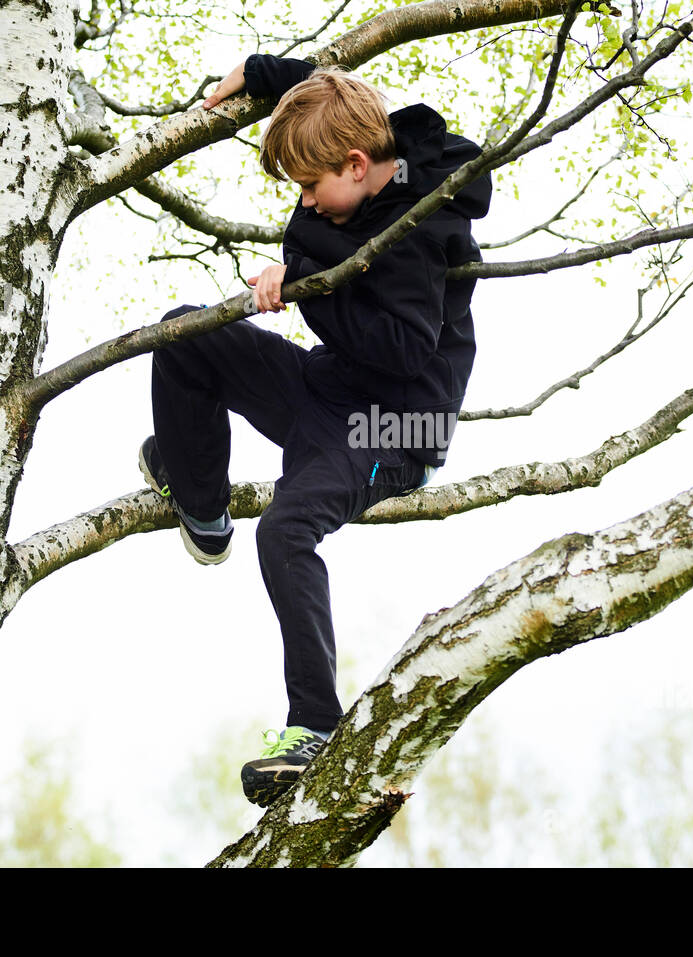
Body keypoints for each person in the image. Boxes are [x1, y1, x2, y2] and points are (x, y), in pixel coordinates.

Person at [139, 53, 492, 807]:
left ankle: (315, 726)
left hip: (392, 426)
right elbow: (333, 97)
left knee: (286, 532)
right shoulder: (363, 158)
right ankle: (200, 502)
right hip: (329, 392)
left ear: (359, 166)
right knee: (183, 334)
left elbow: (406, 350)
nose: (307, 202)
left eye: (309, 187)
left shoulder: (420, 226)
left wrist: (303, 291)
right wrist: (264, 75)